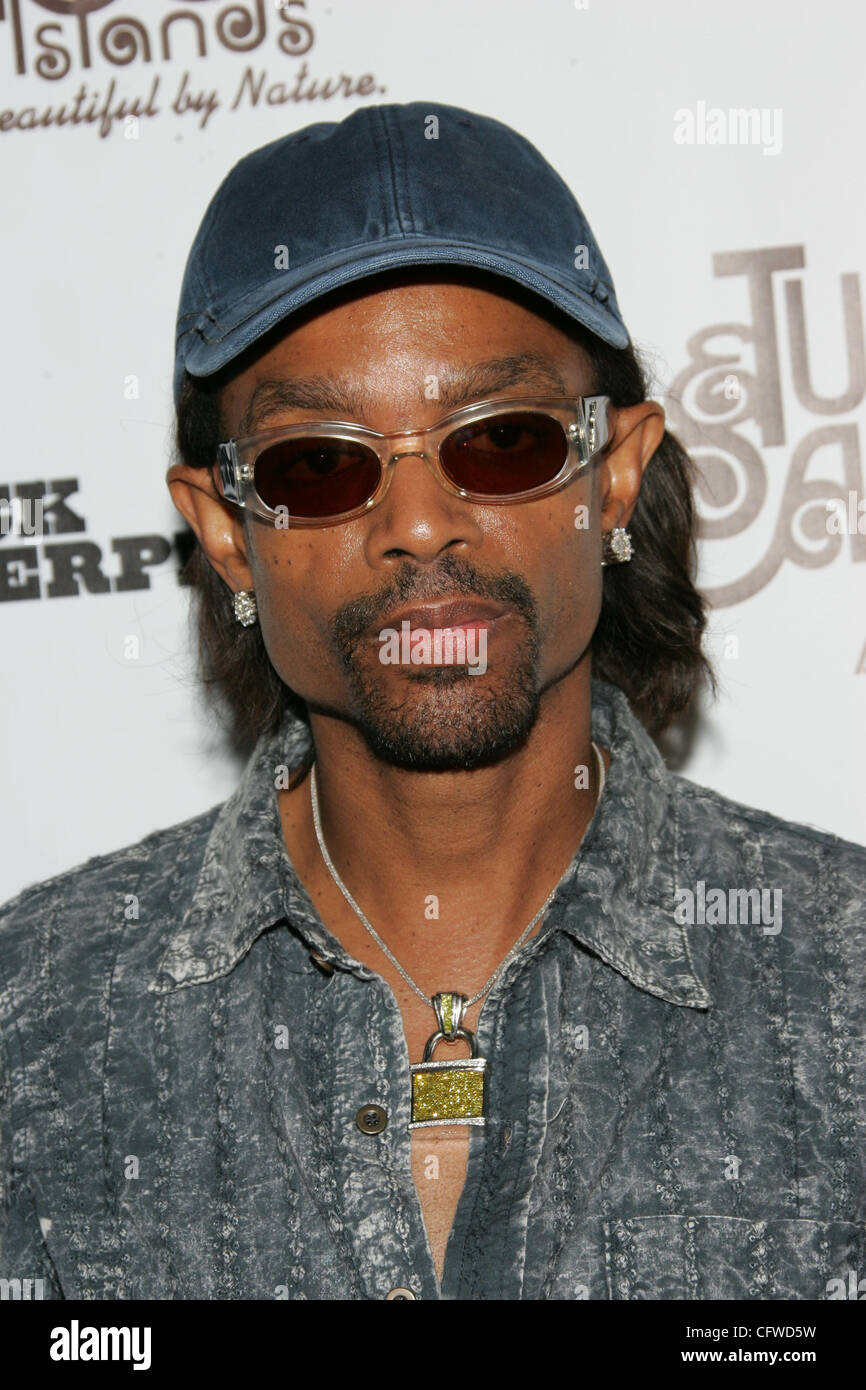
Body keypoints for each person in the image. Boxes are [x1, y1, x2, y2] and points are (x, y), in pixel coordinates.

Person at [1, 102, 863, 1303]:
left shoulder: (841, 980)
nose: (416, 524)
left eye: (500, 439)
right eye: (321, 464)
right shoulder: (36, 1015)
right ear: (226, 536)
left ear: (610, 478)